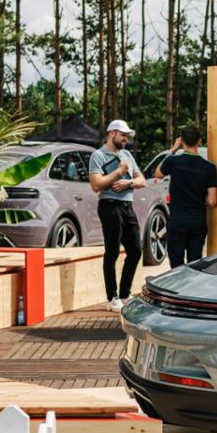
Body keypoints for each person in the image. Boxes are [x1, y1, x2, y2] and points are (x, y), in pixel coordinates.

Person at [88, 120, 146, 311]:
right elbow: (96, 184)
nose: (125, 139)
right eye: (123, 135)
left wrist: (128, 183)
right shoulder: (98, 155)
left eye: (127, 136)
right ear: (112, 133)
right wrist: (119, 172)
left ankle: (124, 294)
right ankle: (112, 298)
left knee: (136, 250)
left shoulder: (127, 155)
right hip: (109, 206)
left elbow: (142, 180)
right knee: (112, 252)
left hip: (128, 206)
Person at [154, 125, 217, 267]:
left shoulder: (173, 161)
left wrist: (172, 149)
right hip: (198, 221)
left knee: (176, 266)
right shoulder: (209, 168)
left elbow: (158, 173)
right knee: (195, 265)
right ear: (200, 141)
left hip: (177, 221)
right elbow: (212, 201)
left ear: (181, 141)